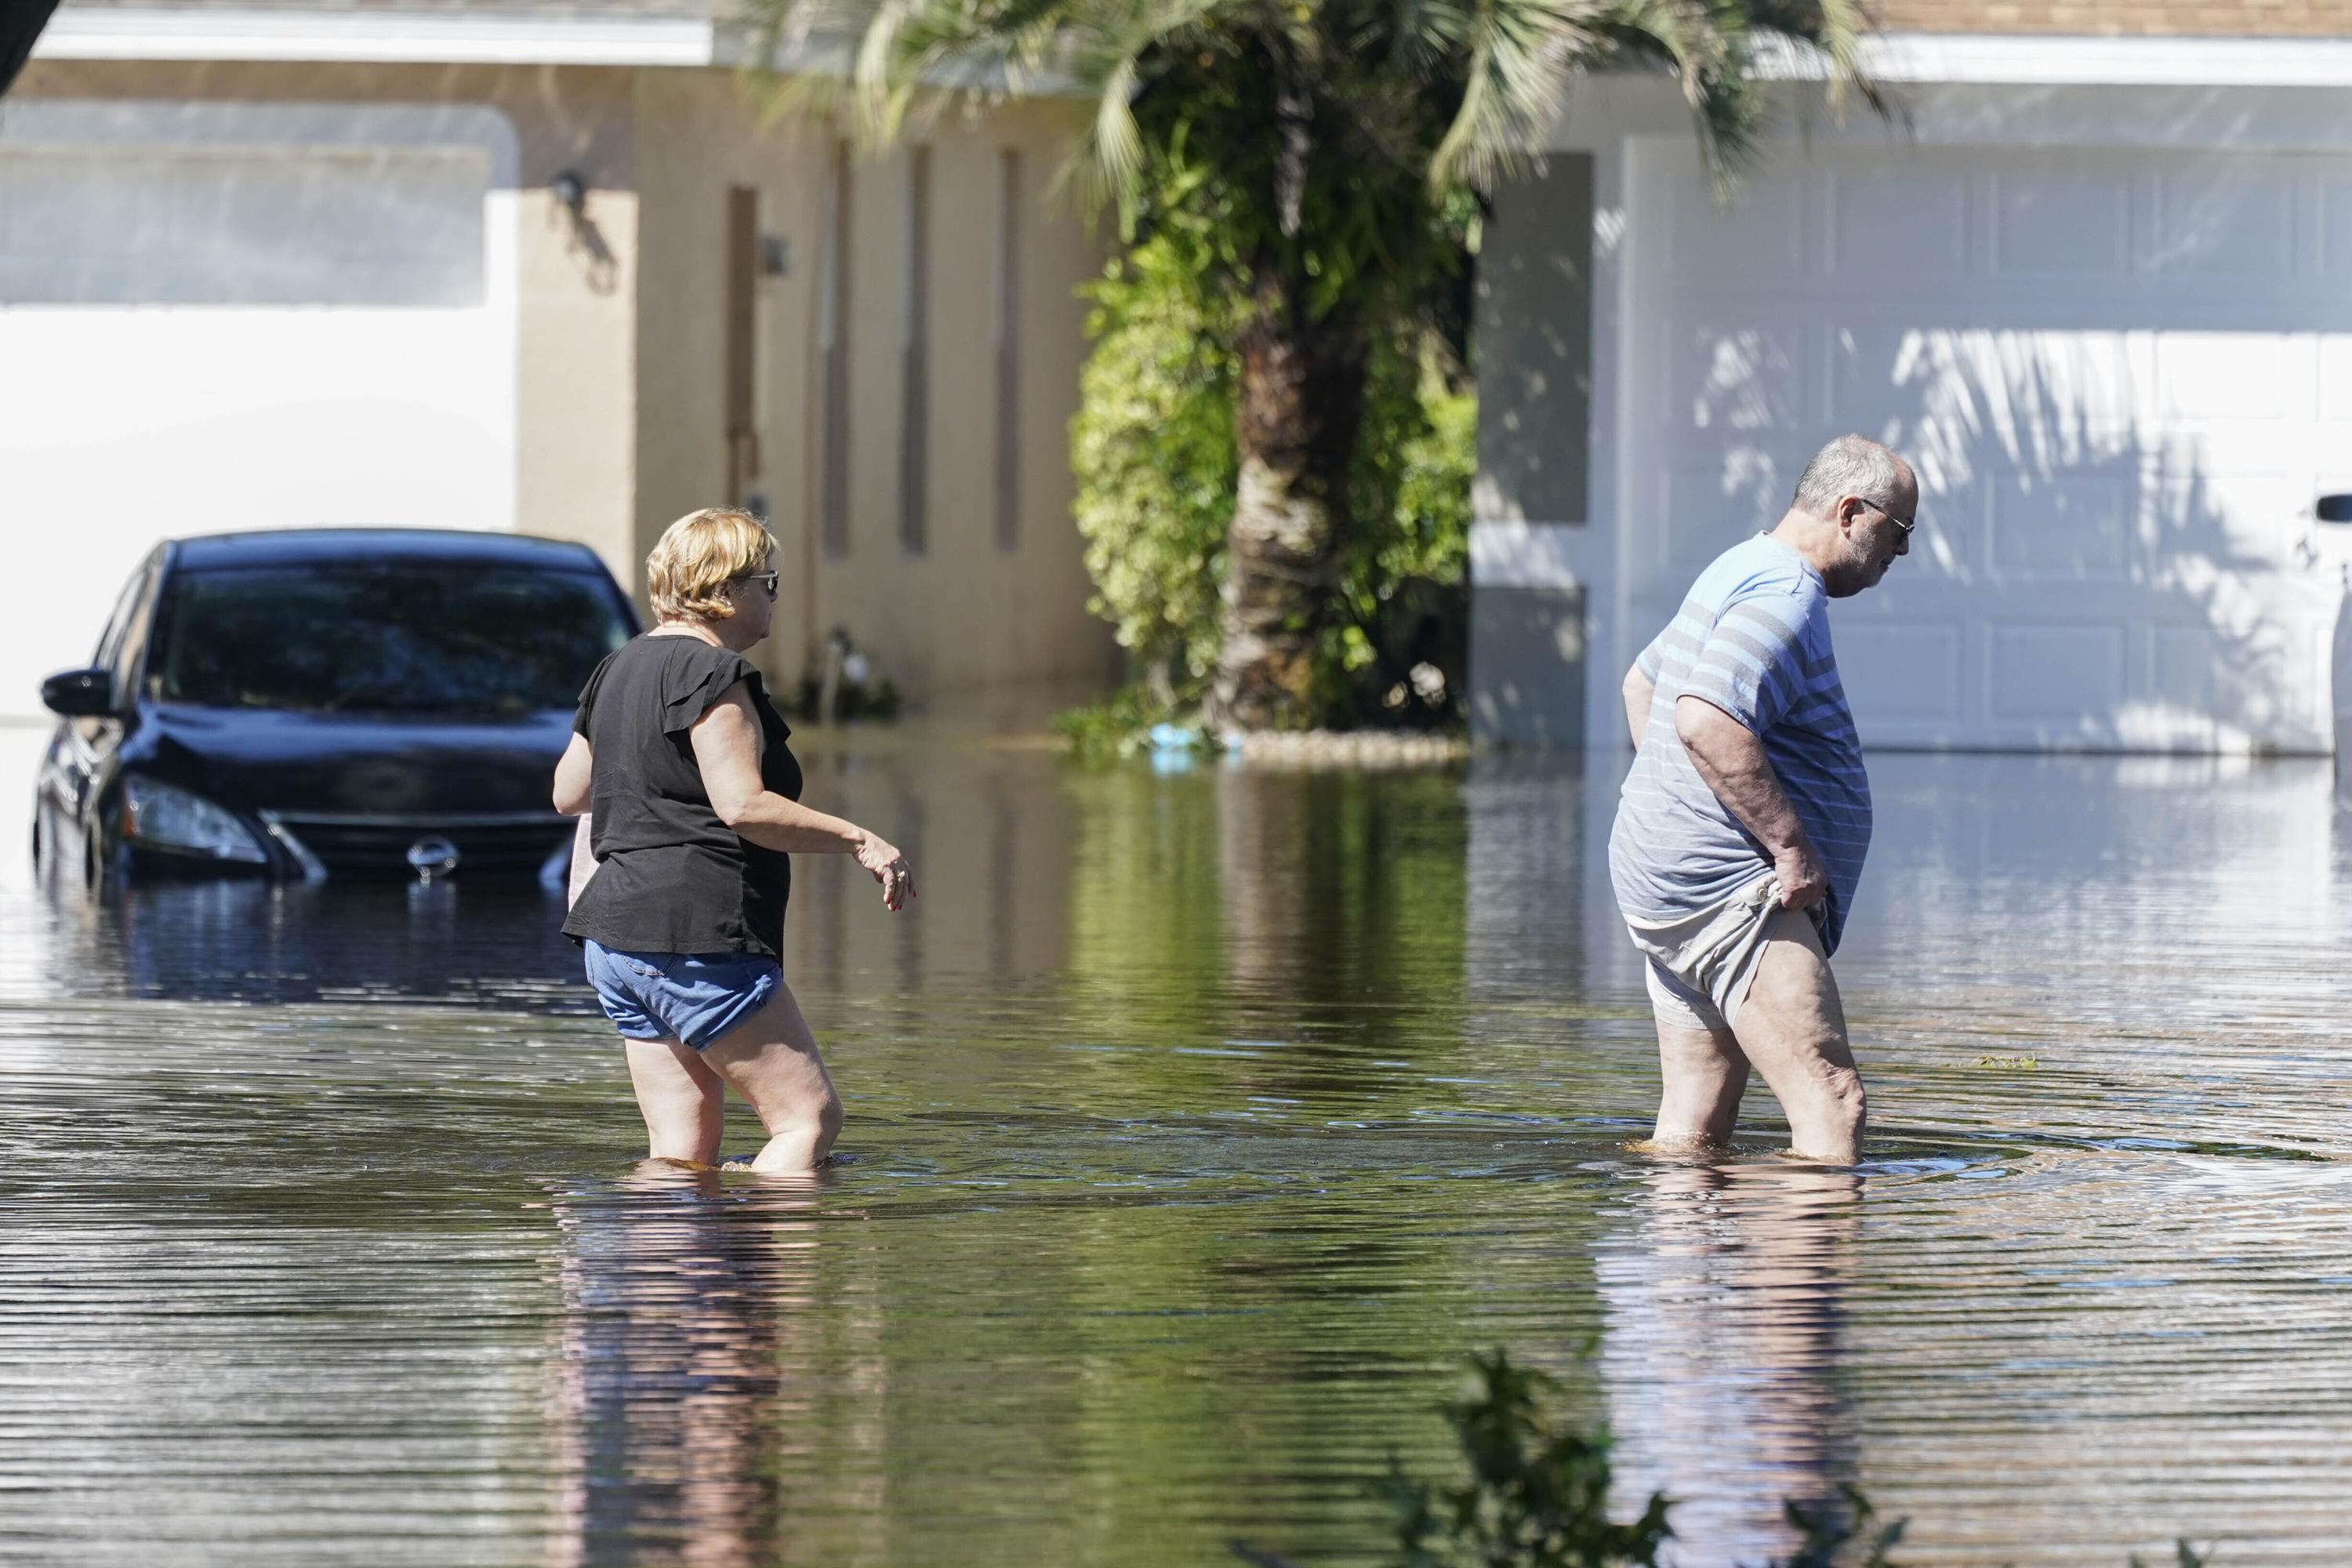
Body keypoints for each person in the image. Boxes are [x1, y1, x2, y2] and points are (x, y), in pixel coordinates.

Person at [552, 507, 913, 1174]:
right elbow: (743, 805)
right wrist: (860, 838)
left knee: (681, 1153)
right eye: (767, 582)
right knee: (807, 1122)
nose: (775, 598)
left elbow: (569, 792)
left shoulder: (617, 669)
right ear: (724, 588)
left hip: (614, 938)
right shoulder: (714, 677)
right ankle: (770, 1277)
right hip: (697, 936)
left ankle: (663, 1277)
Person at [1608, 434, 1915, 1163]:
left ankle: (1681, 1277)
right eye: (1898, 533)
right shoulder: (1786, 593)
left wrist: (1673, 810)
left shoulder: (1740, 566)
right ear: (1850, 512)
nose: (1900, 554)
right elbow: (1705, 717)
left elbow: (1643, 683)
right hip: (1729, 889)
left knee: (1697, 1113)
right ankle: (1806, 1281)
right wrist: (1787, 845)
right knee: (1832, 1100)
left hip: (1671, 878)